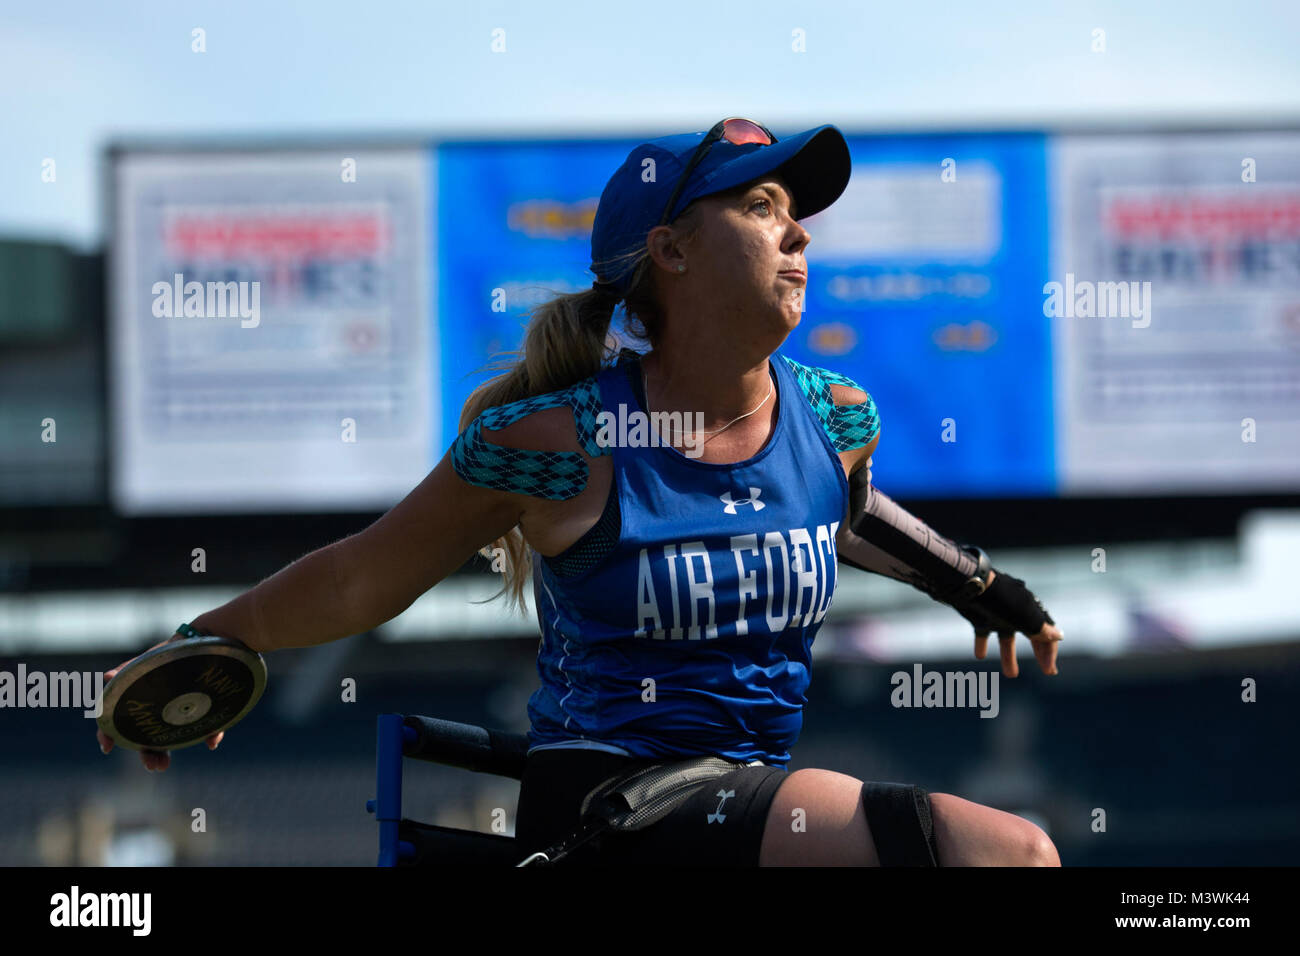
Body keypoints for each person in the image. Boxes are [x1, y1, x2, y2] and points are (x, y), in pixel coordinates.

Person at [98, 118, 1064, 867]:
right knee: (1009, 853)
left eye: (795, 212)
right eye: (762, 206)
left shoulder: (839, 415)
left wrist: (981, 590)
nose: (798, 231)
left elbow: (850, 515)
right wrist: (208, 643)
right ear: (671, 252)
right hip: (610, 817)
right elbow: (361, 579)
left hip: (753, 809)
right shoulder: (555, 442)